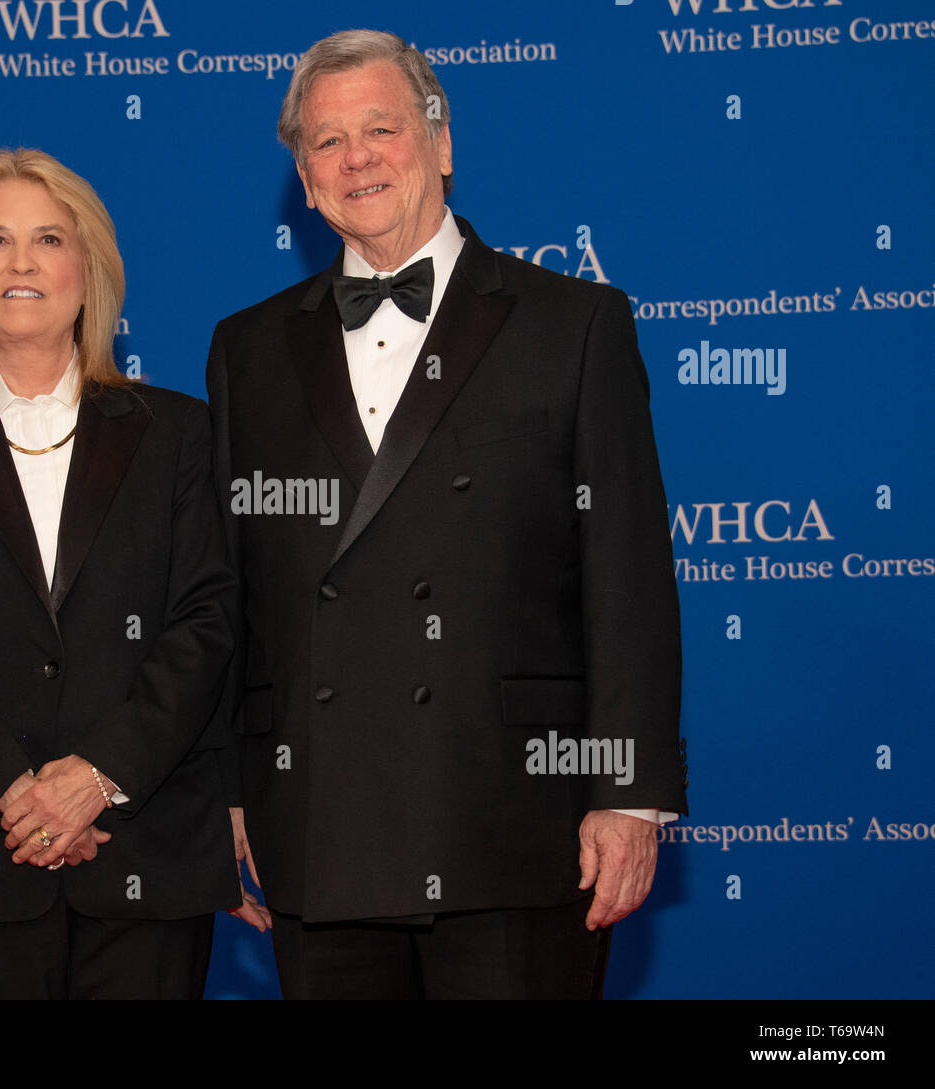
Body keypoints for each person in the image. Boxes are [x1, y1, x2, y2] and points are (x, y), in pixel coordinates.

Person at [208, 31, 688, 999]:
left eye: (380, 128)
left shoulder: (574, 325)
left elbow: (626, 575)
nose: (357, 159)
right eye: (327, 142)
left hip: (514, 823)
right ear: (303, 180)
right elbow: (230, 591)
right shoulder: (246, 350)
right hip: (320, 829)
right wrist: (221, 789)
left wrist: (630, 795)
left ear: (440, 144)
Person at [0, 147, 245, 999]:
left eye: (48, 238)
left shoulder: (176, 432)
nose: (22, 261)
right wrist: (13, 791)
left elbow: (206, 621)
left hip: (146, 847)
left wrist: (95, 777)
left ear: (88, 271)